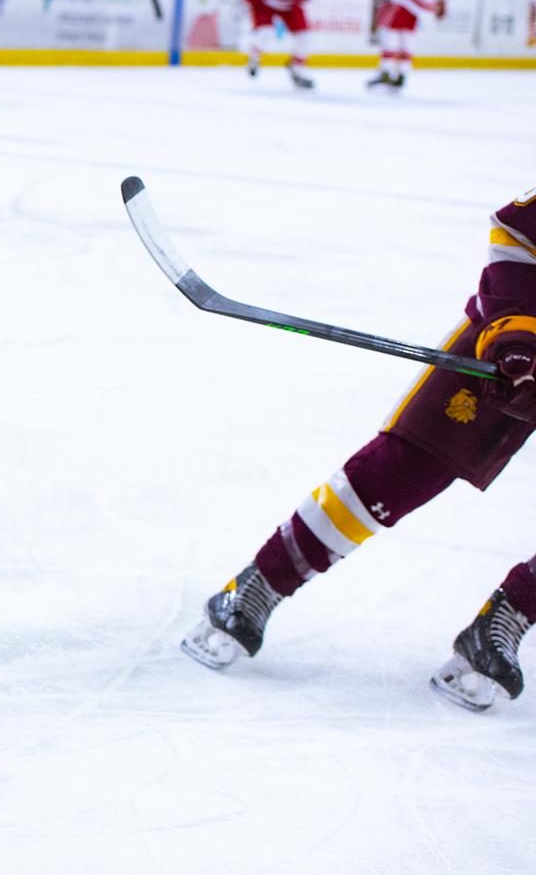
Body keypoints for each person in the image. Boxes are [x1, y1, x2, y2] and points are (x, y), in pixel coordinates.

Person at [183, 189, 536, 715]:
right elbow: (517, 235)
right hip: (514, 347)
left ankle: (504, 621)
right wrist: (518, 333)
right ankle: (259, 586)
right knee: (401, 471)